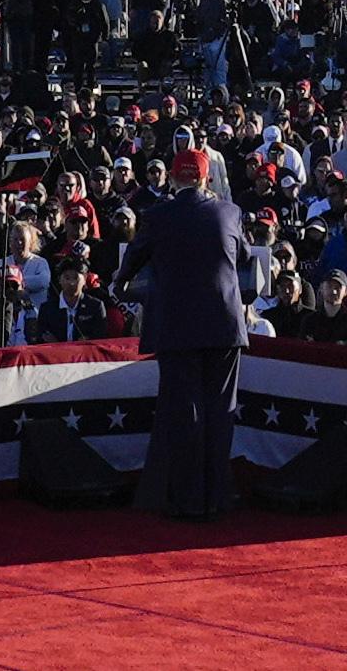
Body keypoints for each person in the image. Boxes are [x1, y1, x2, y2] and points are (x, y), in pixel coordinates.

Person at [111, 146, 249, 520]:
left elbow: (132, 259)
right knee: (220, 412)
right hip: (223, 326)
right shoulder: (230, 212)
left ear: (173, 179)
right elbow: (245, 258)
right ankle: (218, 496)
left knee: (185, 412)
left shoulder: (158, 215)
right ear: (206, 178)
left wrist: (121, 283)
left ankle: (188, 500)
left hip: (176, 326)